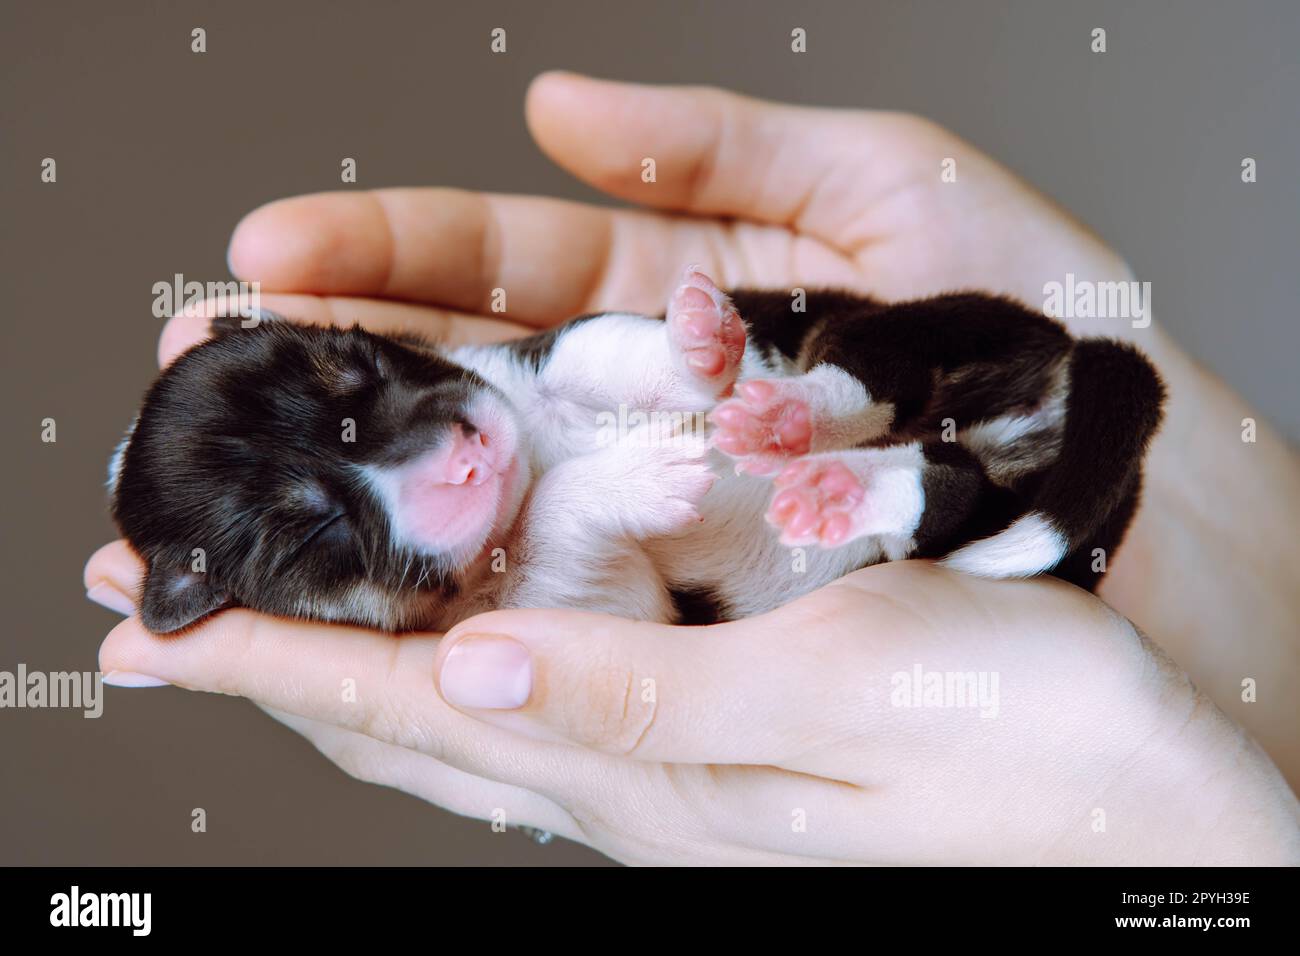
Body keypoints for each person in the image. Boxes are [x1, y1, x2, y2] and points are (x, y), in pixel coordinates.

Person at [85, 72, 1300, 865]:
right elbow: (616, 623)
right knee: (918, 512)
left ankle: (927, 441)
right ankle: (919, 492)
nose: (440, 448)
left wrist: (679, 356)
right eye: (328, 536)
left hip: (868, 401)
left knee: (886, 364)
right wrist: (586, 507)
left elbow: (576, 361)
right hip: (858, 552)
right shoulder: (506, 591)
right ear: (245, 589)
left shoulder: (494, 383)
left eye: (365, 376)